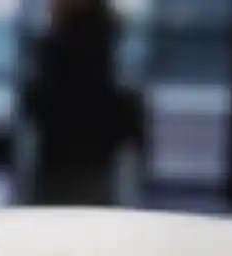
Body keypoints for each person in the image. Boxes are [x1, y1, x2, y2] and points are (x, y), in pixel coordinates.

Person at [22, 0, 142, 205]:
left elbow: (50, 101)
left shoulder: (64, 44)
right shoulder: (106, 36)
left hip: (71, 155)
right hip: (91, 154)